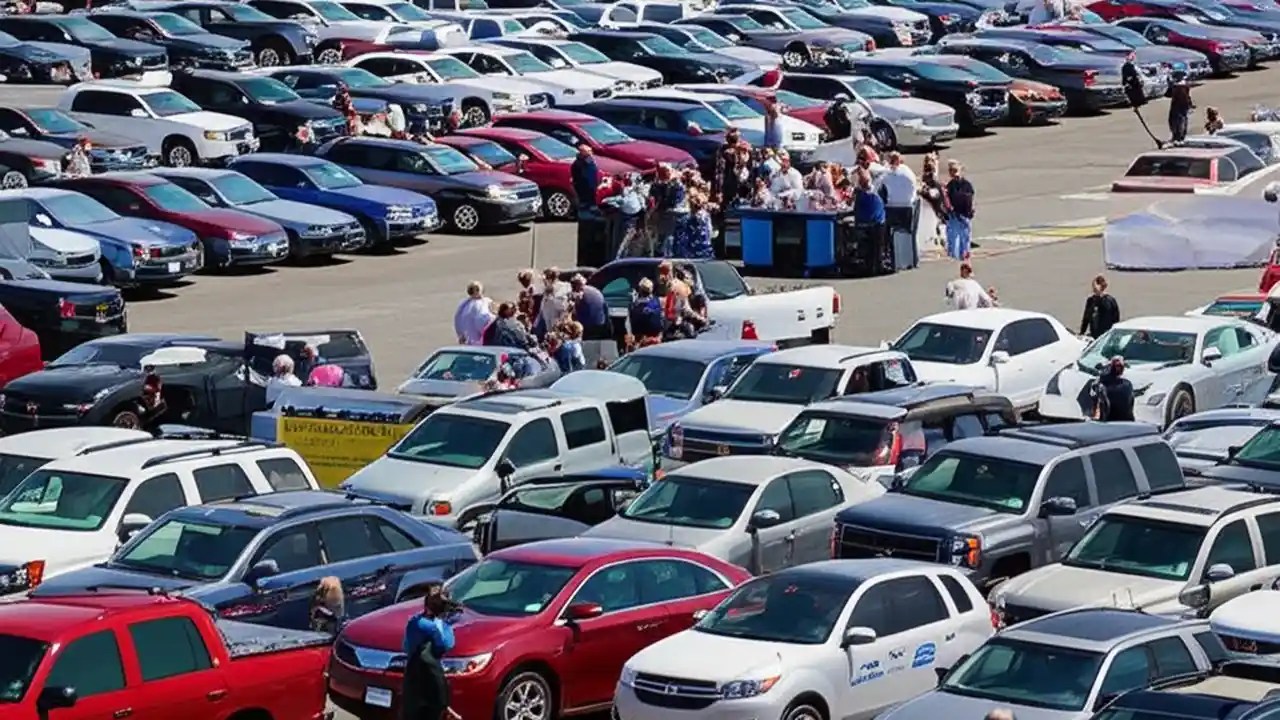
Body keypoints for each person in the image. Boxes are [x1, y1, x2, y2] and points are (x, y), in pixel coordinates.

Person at [401, 583, 462, 720]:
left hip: (412, 679)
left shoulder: (414, 622)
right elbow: (445, 645)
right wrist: (446, 624)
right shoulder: (433, 628)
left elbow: (405, 646)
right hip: (429, 680)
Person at [875, 151, 919, 237]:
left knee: (889, 234)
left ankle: (889, 247)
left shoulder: (887, 173)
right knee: (906, 234)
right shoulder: (908, 172)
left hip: (892, 207)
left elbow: (876, 186)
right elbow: (915, 187)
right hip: (907, 206)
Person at [944, 159, 976, 260]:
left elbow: (970, 198)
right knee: (953, 238)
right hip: (954, 215)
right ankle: (954, 256)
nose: (954, 173)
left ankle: (964, 255)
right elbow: (947, 200)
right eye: (951, 171)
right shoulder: (950, 185)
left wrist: (970, 210)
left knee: (964, 238)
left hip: (964, 214)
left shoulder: (966, 185)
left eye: (955, 170)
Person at [569, 274, 610, 340]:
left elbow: (573, 313)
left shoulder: (576, 295)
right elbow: (605, 307)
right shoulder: (595, 290)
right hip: (601, 324)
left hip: (587, 328)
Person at [454, 281, 494, 346]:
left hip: (469, 337)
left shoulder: (464, 305)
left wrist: (460, 334)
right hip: (479, 337)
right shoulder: (481, 303)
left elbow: (457, 320)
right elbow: (482, 319)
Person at [1080, 274, 1121, 338]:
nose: (1094, 289)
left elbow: (1115, 318)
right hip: (1094, 334)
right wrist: (1082, 332)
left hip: (1106, 334)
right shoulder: (1091, 300)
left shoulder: (1109, 300)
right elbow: (1086, 318)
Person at [1095, 357, 1135, 421]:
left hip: (1109, 422)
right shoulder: (1128, 384)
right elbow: (1131, 404)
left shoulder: (1101, 385)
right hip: (1127, 421)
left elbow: (1104, 406)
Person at [629, 278, 664, 345]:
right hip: (655, 338)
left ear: (640, 290)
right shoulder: (658, 301)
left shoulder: (635, 305)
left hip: (641, 339)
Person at [570, 144, 599, 214]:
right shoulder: (578, 164)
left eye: (591, 151)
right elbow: (579, 177)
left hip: (591, 188)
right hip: (584, 189)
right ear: (582, 152)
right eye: (588, 151)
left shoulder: (590, 161)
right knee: (585, 207)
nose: (591, 153)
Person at [1168, 71, 1194, 143]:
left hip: (1177, 105)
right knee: (1181, 120)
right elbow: (1188, 97)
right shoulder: (1184, 86)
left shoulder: (1178, 86)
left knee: (1176, 121)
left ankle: (1178, 136)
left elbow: (1169, 94)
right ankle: (1179, 136)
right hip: (1182, 106)